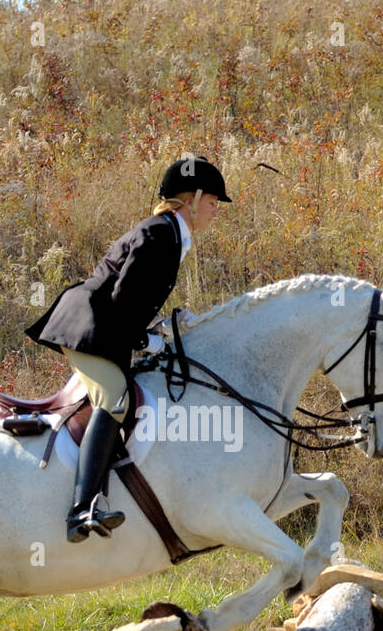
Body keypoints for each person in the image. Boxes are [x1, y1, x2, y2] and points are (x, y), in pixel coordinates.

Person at [25, 155, 231, 542]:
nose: (215, 211)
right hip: (91, 329)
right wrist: (148, 339)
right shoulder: (160, 236)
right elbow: (121, 305)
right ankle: (80, 512)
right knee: (115, 400)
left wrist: (161, 328)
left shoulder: (170, 235)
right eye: (213, 202)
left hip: (105, 330)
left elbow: (131, 305)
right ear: (192, 198)